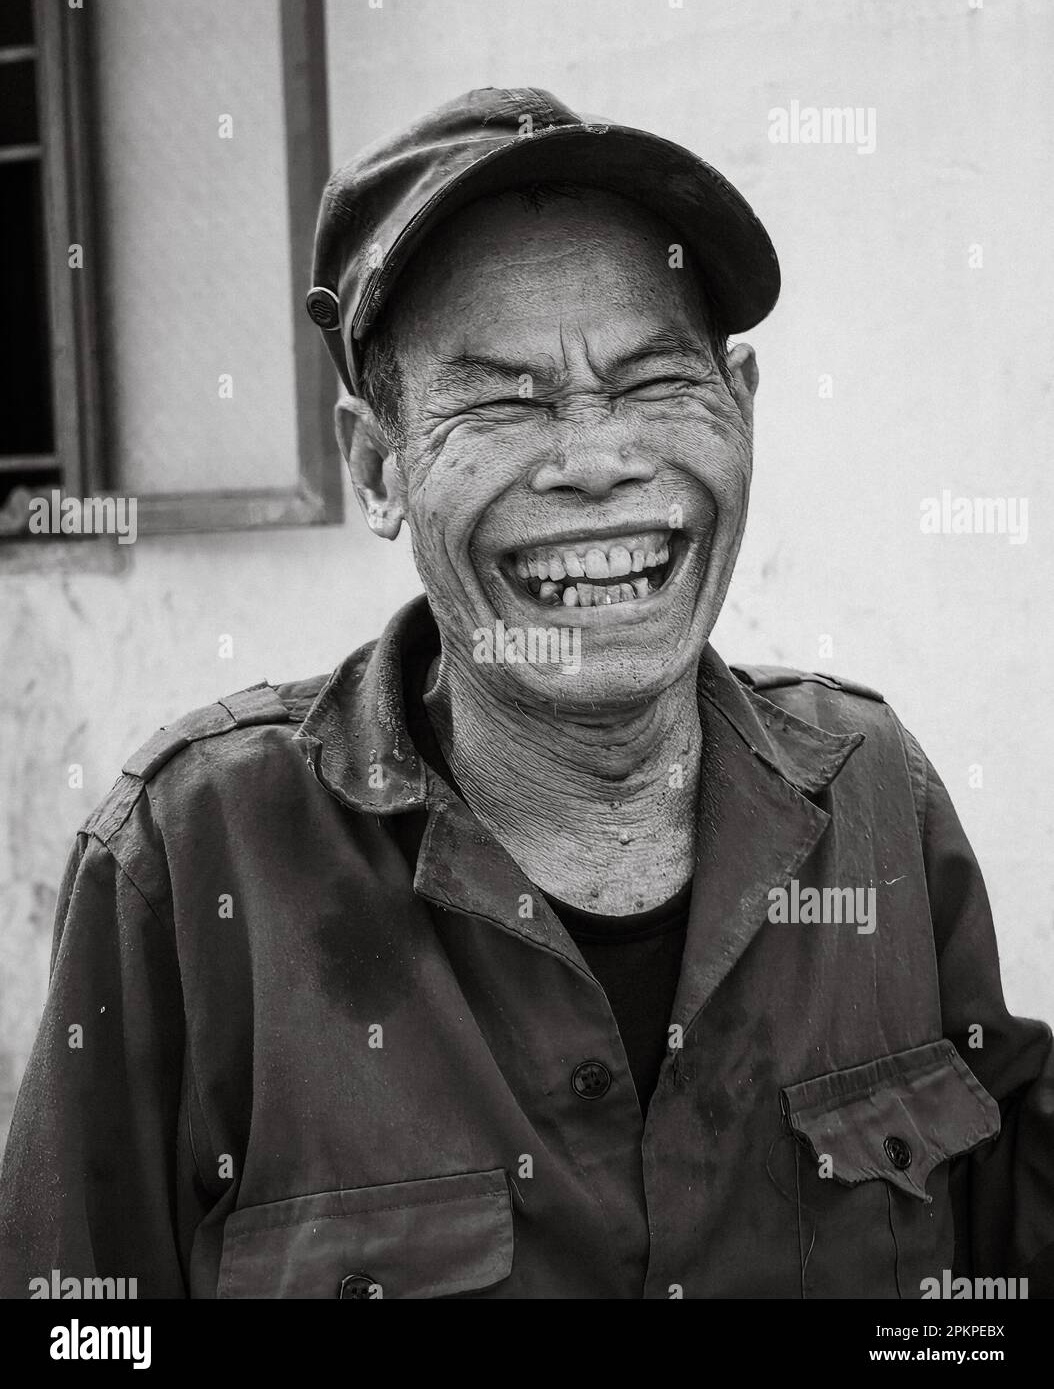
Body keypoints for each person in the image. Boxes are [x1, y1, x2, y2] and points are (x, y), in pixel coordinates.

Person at [2, 87, 1051, 1299]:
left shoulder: (878, 794)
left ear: (742, 410)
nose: (599, 460)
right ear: (375, 465)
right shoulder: (189, 862)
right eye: (503, 398)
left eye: (657, 381)